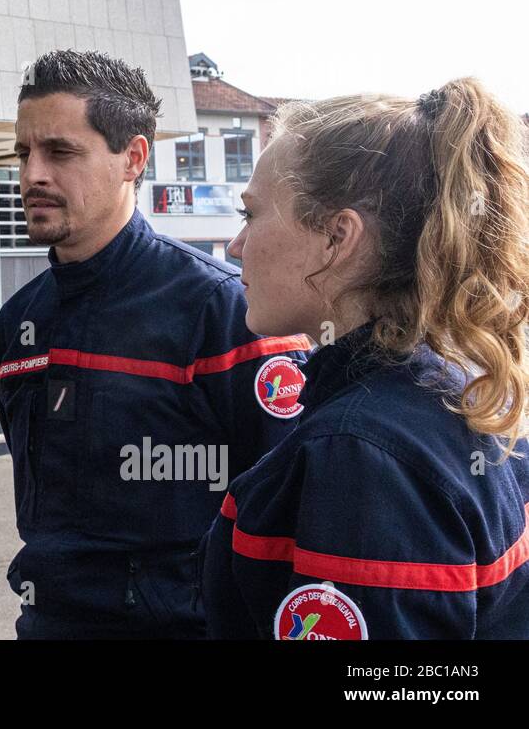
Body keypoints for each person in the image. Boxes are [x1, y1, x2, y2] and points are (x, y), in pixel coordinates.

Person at [0, 49, 310, 639]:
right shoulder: (17, 324)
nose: (33, 174)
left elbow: (294, 514)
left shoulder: (227, 312)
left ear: (133, 158)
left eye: (60, 151)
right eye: (24, 152)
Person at [203, 79, 529, 639]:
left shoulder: (362, 455)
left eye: (250, 214)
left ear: (336, 238)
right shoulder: (451, 386)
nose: (235, 246)